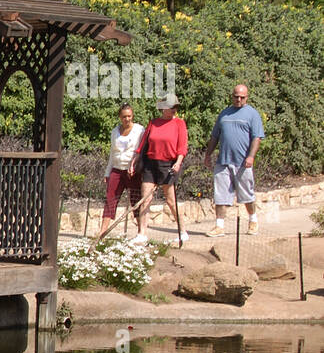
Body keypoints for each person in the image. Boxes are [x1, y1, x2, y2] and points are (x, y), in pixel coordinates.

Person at [203, 84, 264, 237]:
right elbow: (215, 136)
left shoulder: (252, 114)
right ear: (232, 96)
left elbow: (257, 138)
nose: (238, 99)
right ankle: (219, 226)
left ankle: (253, 221)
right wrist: (208, 155)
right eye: (236, 96)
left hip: (242, 163)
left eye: (242, 97)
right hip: (223, 162)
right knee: (220, 195)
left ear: (247, 97)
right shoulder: (224, 114)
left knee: (246, 195)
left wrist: (251, 156)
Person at [130, 94, 189, 245]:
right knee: (146, 198)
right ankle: (142, 233)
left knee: (170, 200)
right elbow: (143, 143)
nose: (174, 110)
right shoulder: (154, 123)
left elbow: (182, 146)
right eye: (171, 107)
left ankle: (182, 231)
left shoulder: (179, 124)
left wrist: (178, 162)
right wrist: (135, 159)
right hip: (151, 163)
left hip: (168, 164)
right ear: (164, 108)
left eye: (175, 107)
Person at [98, 103, 144, 238]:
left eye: (129, 116)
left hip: (132, 170)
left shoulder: (139, 130)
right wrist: (107, 172)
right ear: (120, 117)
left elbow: (141, 151)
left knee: (135, 199)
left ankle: (141, 232)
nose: (127, 119)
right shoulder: (114, 132)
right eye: (124, 116)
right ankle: (103, 231)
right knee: (110, 199)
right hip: (117, 169)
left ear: (133, 116)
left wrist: (136, 166)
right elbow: (112, 154)